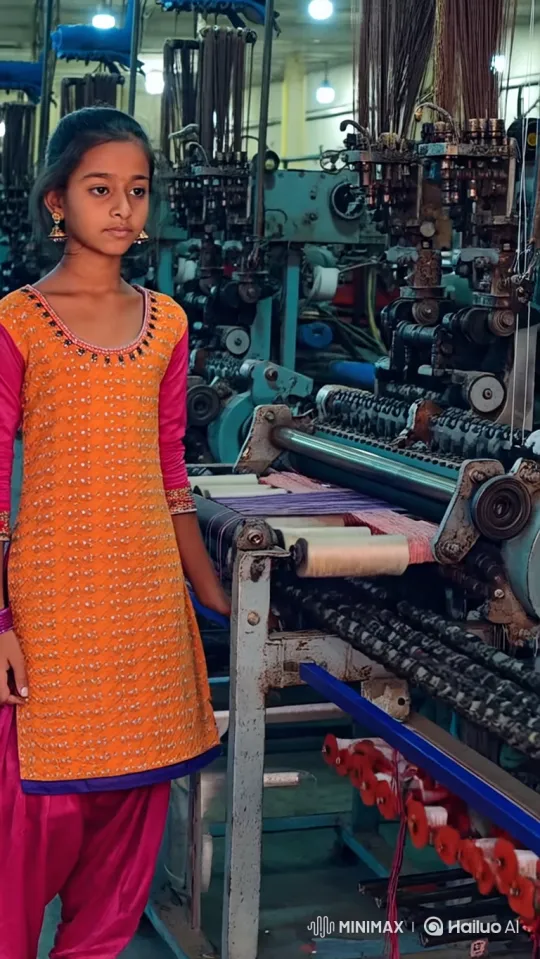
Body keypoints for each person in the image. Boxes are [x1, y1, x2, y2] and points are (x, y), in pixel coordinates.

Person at [0, 106, 230, 959]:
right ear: (56, 201)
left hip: (144, 609)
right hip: (50, 607)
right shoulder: (18, 321)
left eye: (137, 190)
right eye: (100, 189)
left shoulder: (167, 322)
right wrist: (1, 622)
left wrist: (216, 599)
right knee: (30, 827)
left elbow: (172, 474)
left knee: (127, 838)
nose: (123, 208)